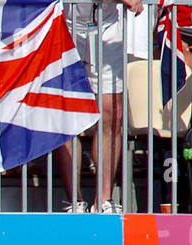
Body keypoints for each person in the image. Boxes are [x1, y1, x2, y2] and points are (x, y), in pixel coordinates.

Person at [56, 0, 144, 213]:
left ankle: (104, 199)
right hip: (65, 25)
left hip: (107, 26)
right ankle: (75, 201)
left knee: (112, 113)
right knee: (64, 115)